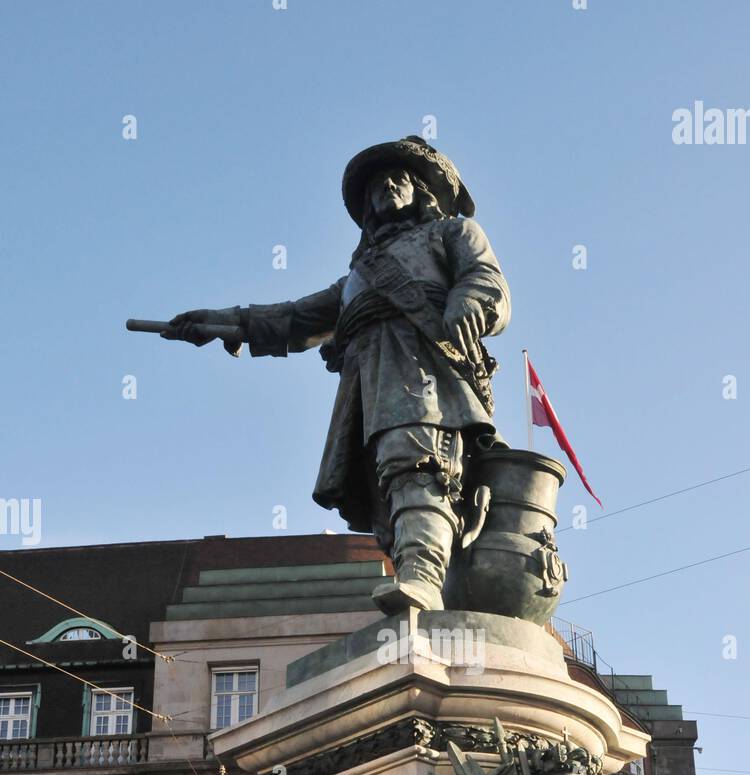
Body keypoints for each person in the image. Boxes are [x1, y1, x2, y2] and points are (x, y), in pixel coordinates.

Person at [165, 136, 511, 614]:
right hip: (366, 386)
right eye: (377, 185)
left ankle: (424, 574)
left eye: (399, 178)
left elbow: (486, 280)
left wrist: (468, 302)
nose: (387, 186)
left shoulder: (452, 233)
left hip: (423, 366)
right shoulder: (356, 276)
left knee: (419, 463)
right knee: (387, 481)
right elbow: (291, 318)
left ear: (421, 191)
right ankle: (416, 571)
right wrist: (217, 321)